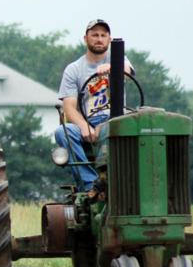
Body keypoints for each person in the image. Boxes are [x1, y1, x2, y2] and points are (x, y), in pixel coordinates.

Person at [55, 19, 134, 192]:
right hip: (89, 120)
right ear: (86, 38)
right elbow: (69, 106)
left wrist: (112, 67)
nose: (99, 39)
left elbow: (127, 69)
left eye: (103, 35)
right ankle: (90, 185)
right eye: (95, 35)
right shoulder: (74, 69)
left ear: (109, 39)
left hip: (118, 118)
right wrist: (85, 127)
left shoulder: (119, 59)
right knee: (63, 132)